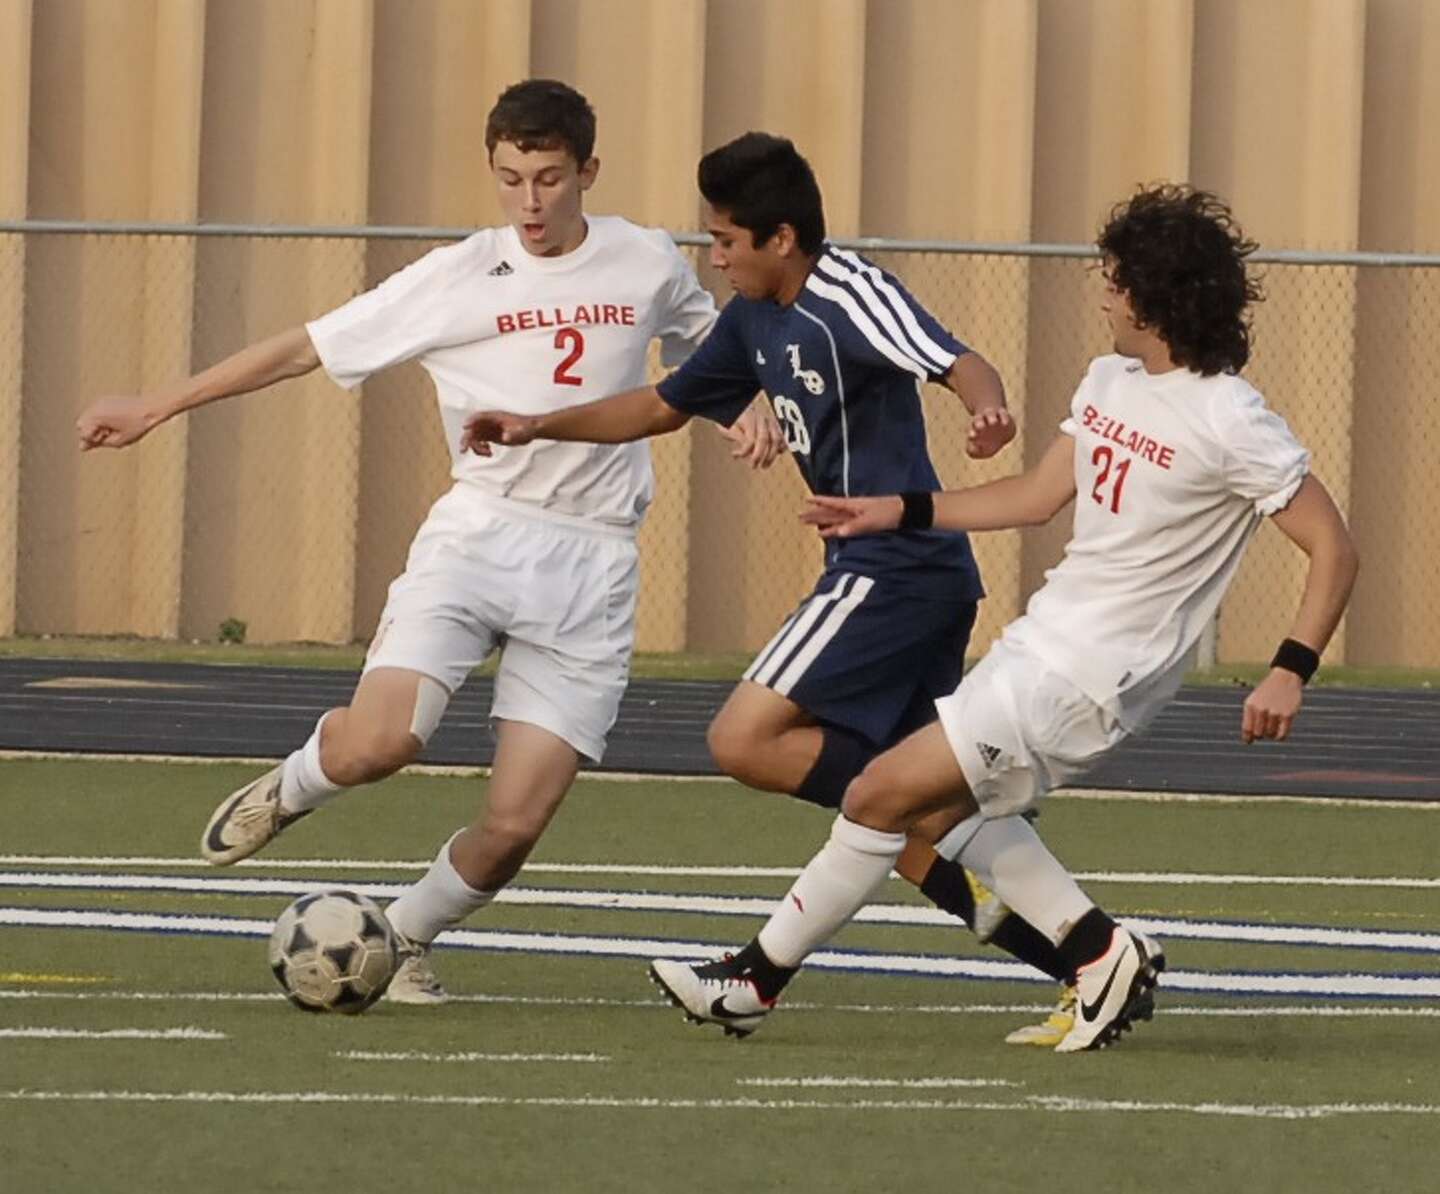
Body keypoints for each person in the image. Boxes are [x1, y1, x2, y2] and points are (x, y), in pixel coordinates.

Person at [74, 79, 783, 1004]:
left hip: (595, 562)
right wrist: (157, 404)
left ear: (588, 172)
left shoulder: (645, 259)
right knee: (379, 744)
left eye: (549, 179)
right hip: (479, 536)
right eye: (510, 179)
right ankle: (295, 786)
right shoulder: (459, 275)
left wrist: (745, 401)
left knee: (515, 826)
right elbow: (305, 347)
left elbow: (707, 347)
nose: (530, 202)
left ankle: (403, 934)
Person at [461, 131, 1148, 1042]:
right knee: (925, 811)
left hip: (895, 570)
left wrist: (986, 408)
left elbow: (956, 359)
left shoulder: (847, 295)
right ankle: (1094, 955)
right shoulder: (752, 318)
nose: (715, 257)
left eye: (725, 240)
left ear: (781, 239)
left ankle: (781, 960)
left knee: (745, 737)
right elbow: (663, 405)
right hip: (894, 577)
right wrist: (536, 424)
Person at [647, 183, 1359, 1053]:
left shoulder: (1230, 415)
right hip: (1042, 644)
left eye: (1113, 281)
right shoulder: (1111, 380)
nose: (1102, 296)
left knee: (878, 795)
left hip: (1091, 673)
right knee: (929, 813)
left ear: (1154, 295)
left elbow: (1333, 547)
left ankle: (753, 982)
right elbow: (1032, 497)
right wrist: (898, 510)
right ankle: (1098, 954)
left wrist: (1291, 667)